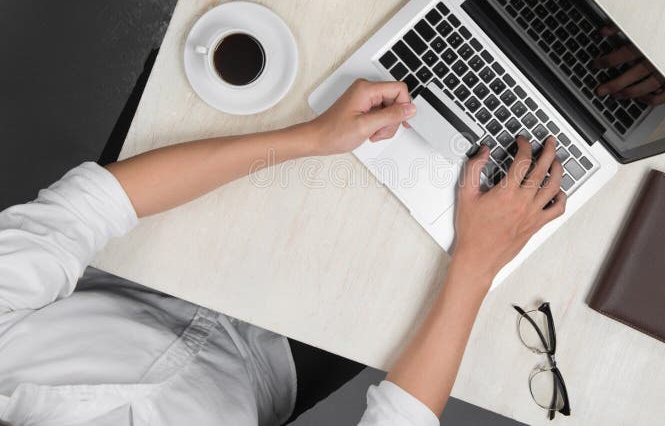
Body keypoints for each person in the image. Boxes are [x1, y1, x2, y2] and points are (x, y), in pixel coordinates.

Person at [0, 78, 566, 426]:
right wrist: (477, 264)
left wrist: (311, 137)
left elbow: (85, 208)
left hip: (152, 256)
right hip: (283, 364)